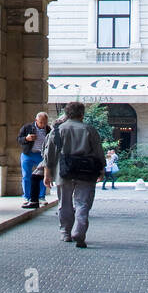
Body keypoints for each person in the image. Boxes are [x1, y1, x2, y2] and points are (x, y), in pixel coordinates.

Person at [43, 101, 105, 249]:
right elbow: (98, 152)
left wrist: (47, 173)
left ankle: (65, 232)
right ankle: (79, 231)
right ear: (82, 114)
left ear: (66, 114)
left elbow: (49, 153)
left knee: (64, 202)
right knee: (83, 203)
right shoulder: (89, 129)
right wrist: (101, 170)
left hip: (63, 171)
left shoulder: (58, 130)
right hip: (86, 171)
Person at [17, 111, 51, 208]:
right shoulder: (27, 127)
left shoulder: (48, 129)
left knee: (42, 176)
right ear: (36, 120)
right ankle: (26, 197)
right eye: (41, 122)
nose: (42, 125)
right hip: (28, 154)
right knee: (26, 176)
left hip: (42, 155)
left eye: (45, 122)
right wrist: (27, 139)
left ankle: (41, 197)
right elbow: (19, 139)